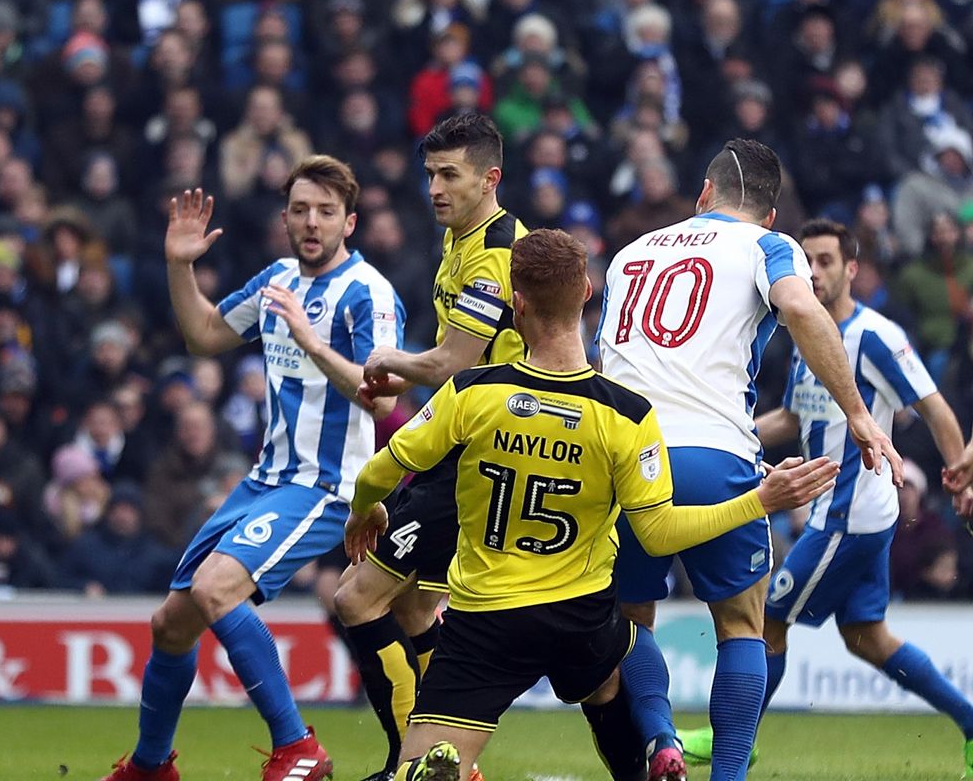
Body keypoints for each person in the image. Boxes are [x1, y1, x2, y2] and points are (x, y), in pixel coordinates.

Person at [346, 229, 837, 781]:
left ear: (517, 304)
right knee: (613, 674)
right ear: (585, 292)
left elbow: (379, 471)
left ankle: (433, 766)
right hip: (578, 618)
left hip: (484, 621)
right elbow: (660, 532)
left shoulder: (471, 393)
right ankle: (650, 753)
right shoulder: (627, 414)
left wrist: (366, 509)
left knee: (419, 762)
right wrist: (759, 501)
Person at [597, 141, 902, 781]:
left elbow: (608, 365)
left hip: (624, 456)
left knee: (631, 619)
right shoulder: (768, 245)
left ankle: (660, 740)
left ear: (703, 194)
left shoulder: (631, 253)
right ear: (770, 214)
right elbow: (800, 307)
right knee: (742, 626)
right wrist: (858, 412)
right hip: (715, 454)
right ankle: (728, 774)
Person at [101, 156, 405, 781]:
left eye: (326, 212)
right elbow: (205, 335)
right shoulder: (279, 280)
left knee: (216, 590)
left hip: (327, 484)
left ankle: (298, 746)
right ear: (284, 219)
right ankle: (151, 767)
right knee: (171, 625)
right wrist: (179, 264)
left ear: (349, 222)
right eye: (300, 210)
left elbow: (383, 399)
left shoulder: (367, 292)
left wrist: (312, 341)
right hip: (266, 480)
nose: (312, 223)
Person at [676, 220, 973, 776]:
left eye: (827, 261)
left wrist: (961, 479)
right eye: (806, 260)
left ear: (852, 268)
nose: (813, 271)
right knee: (867, 638)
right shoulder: (808, 333)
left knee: (766, 622)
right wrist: (726, 435)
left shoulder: (875, 335)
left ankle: (731, 740)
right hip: (842, 513)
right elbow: (793, 417)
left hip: (849, 515)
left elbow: (934, 407)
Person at [338, 110, 526, 781]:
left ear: (490, 178)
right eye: (430, 175)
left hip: (481, 452)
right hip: (462, 441)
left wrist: (390, 359)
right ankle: (446, 763)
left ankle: (406, 765)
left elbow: (453, 361)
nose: (435, 188)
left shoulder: (496, 253)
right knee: (416, 606)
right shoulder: (459, 238)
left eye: (449, 175)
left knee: (355, 599)